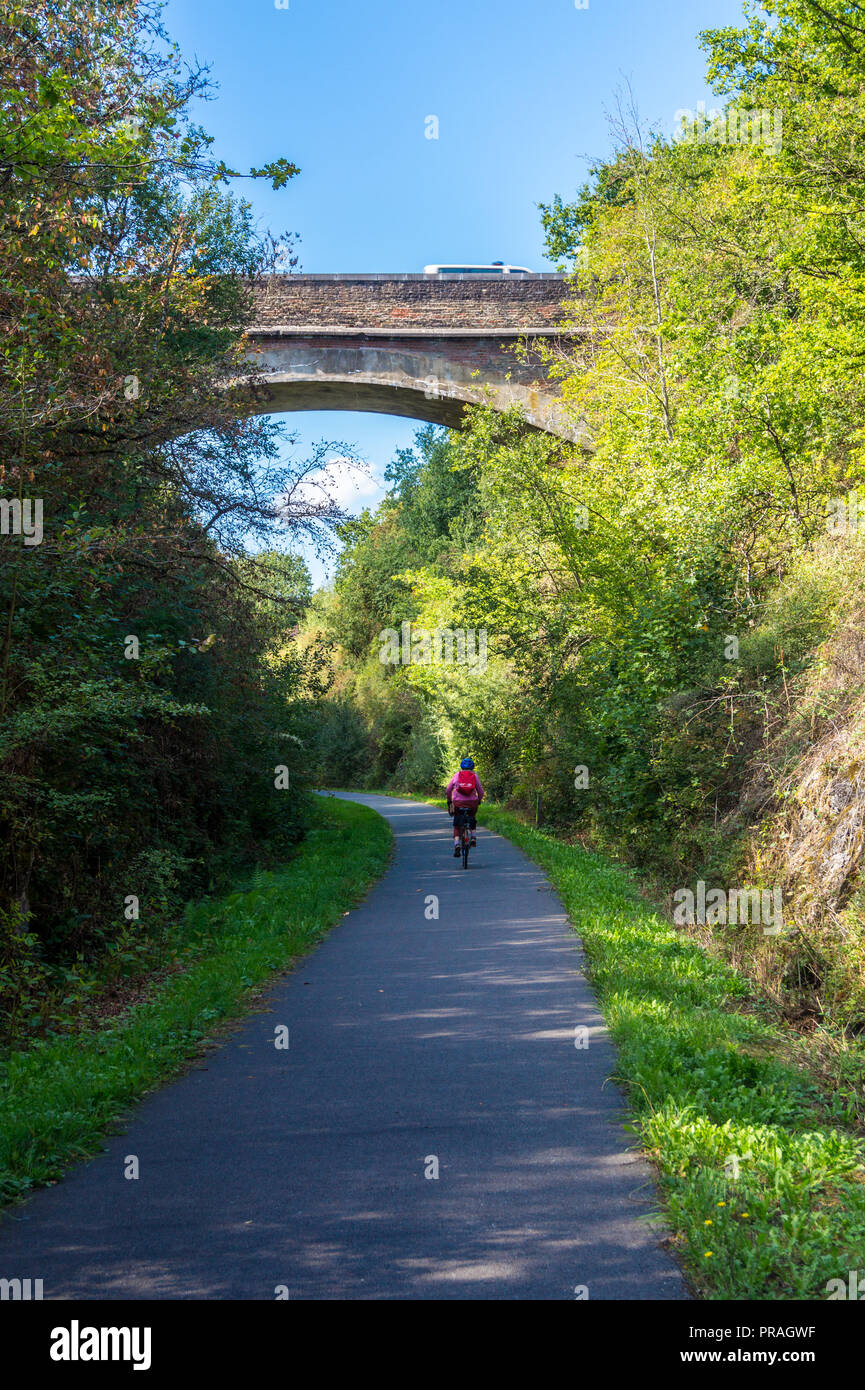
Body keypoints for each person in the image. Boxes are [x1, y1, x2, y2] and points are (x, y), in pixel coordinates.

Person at [446, 757, 484, 857]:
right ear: (472, 767)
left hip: (458, 803)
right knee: (472, 817)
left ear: (461, 767)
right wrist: (478, 800)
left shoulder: (456, 775)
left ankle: (457, 844)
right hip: (472, 803)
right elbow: (481, 791)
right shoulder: (474, 776)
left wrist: (449, 801)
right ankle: (473, 837)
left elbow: (448, 790)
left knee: (457, 824)